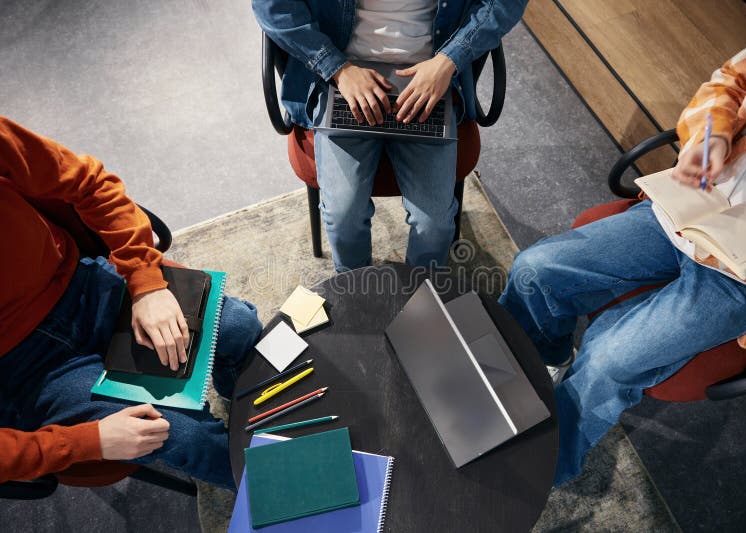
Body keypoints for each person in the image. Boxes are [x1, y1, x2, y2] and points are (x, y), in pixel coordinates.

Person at [499, 20, 746, 486]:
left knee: (609, 358)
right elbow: (732, 79)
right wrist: (711, 135)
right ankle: (530, 377)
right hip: (694, 208)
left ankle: (533, 475)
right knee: (535, 270)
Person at [0, 117, 262, 490]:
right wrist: (83, 442)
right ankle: (286, 492)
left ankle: (245, 407)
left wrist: (146, 283)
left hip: (78, 285)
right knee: (184, 436)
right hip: (23, 372)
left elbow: (89, 183)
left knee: (239, 327)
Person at [253, 0, 527, 272]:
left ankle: (424, 296)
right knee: (343, 217)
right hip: (343, 76)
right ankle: (357, 292)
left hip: (429, 72)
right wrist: (337, 68)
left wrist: (449, 60)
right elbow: (271, 5)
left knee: (434, 228)